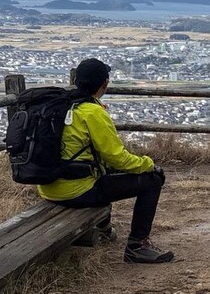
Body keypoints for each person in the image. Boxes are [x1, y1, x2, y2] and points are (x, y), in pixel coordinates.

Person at [37, 58, 175, 264]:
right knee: (152, 180)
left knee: (103, 174)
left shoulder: (60, 106)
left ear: (76, 81)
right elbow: (117, 158)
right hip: (76, 191)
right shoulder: (92, 112)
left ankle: (104, 230)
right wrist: (148, 164)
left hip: (48, 188)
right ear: (104, 84)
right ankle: (137, 247)